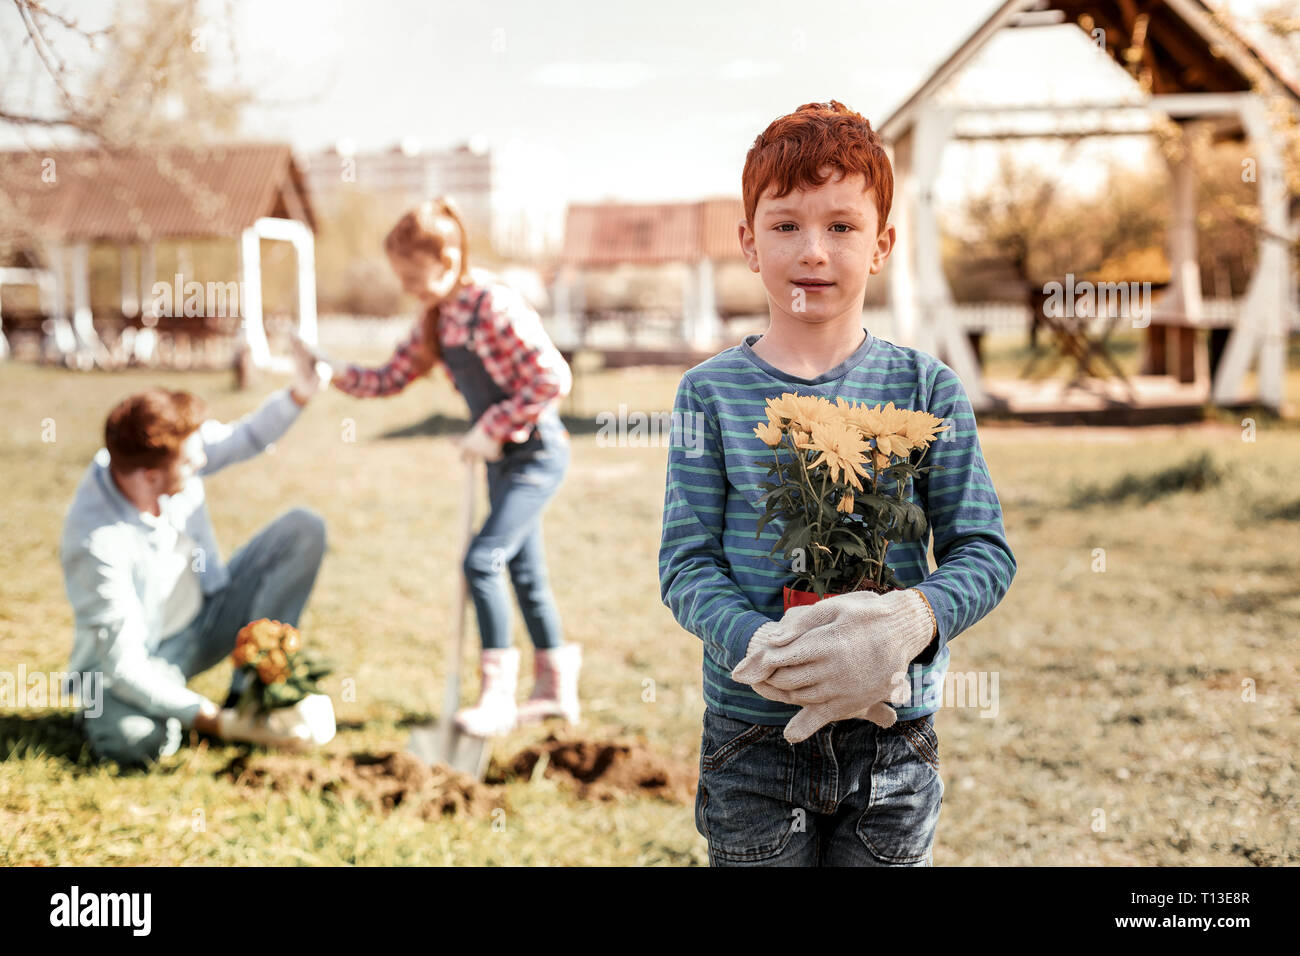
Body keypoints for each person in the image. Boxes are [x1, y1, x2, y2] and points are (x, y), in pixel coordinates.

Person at [658, 101, 1017, 866]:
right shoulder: (708, 394)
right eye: (786, 225)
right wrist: (761, 643)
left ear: (882, 244)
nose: (813, 251)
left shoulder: (928, 388)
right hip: (754, 737)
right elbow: (685, 566)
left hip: (893, 741)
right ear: (749, 244)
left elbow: (985, 552)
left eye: (842, 226)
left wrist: (909, 621)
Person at [318, 198, 577, 737]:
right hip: (500, 459)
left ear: (449, 257)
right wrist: (333, 373)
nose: (410, 288)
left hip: (536, 453)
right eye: (403, 277)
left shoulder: (491, 305)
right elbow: (392, 376)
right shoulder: (436, 316)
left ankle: (497, 698)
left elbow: (552, 379)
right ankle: (555, 689)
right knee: (525, 574)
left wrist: (494, 424)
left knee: (482, 561)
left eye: (416, 275)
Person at [60, 335, 331, 767]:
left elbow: (245, 438)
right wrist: (218, 724)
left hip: (205, 619)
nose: (202, 462)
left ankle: (252, 693)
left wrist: (300, 392)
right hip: (144, 658)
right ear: (149, 476)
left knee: (303, 530)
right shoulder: (96, 544)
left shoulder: (164, 455)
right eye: (190, 463)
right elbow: (125, 664)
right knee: (135, 741)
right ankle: (147, 711)